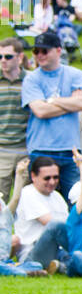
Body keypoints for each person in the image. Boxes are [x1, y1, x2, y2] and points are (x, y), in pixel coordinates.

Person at [22, 30, 82, 201]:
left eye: (45, 51)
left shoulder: (75, 74)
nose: (40, 55)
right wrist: (70, 104)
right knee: (41, 202)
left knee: (75, 201)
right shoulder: (31, 79)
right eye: (36, 51)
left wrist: (51, 101)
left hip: (70, 150)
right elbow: (40, 111)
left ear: (58, 50)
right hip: (41, 149)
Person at [14, 155, 69, 268]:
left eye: (56, 177)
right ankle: (77, 261)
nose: (52, 182)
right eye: (47, 178)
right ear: (33, 176)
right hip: (32, 254)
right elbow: (52, 224)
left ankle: (65, 265)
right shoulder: (28, 193)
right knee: (55, 225)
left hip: (58, 250)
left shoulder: (57, 196)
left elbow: (68, 225)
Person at [0, 38, 29, 202]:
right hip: (1, 149)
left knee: (24, 203)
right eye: (0, 56)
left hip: (25, 149)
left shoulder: (31, 81)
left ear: (19, 57)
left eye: (8, 56)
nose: (3, 60)